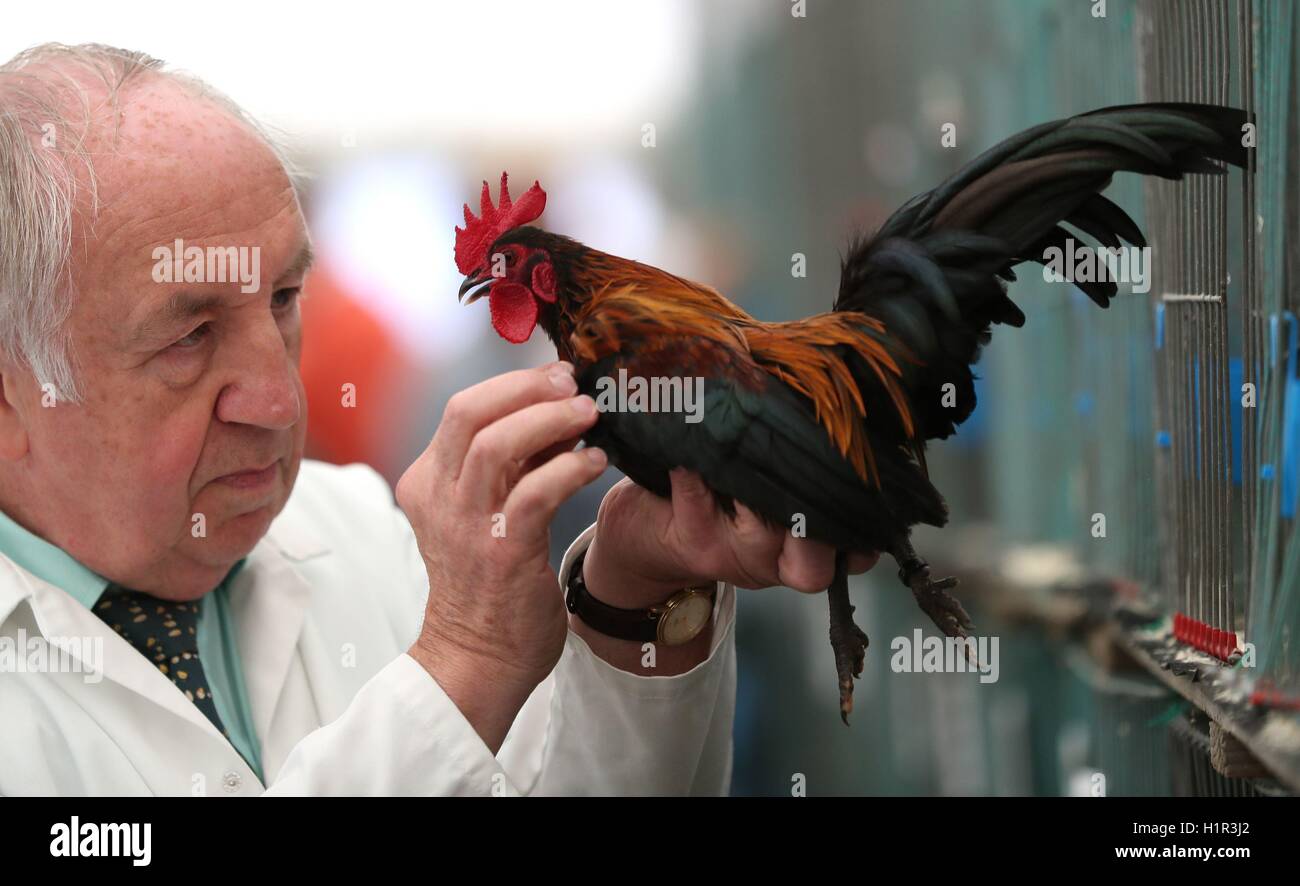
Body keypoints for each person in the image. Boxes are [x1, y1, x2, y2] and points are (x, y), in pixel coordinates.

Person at [0, 43, 876, 795]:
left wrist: (638, 598)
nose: (279, 397)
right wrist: (464, 664)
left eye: (284, 298)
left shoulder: (359, 528)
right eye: (190, 337)